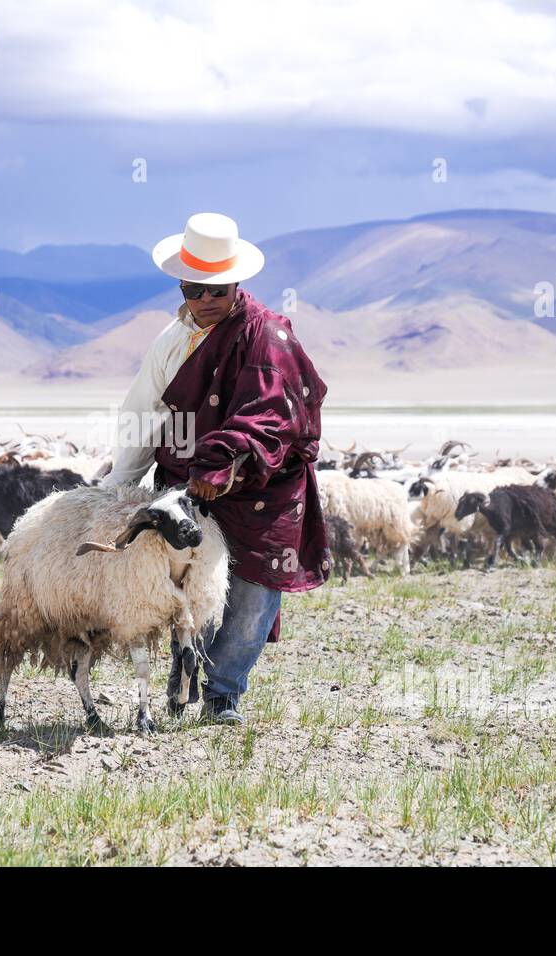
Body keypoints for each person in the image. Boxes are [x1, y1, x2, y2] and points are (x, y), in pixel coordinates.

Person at [100, 212, 331, 724]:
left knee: (252, 593)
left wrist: (225, 456)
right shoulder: (170, 341)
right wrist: (119, 485)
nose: (206, 302)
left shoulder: (269, 337)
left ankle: (224, 694)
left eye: (217, 291)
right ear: (181, 288)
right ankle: (186, 679)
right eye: (194, 290)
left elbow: (277, 414)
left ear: (236, 285)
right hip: (189, 490)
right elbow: (145, 414)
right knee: (192, 588)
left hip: (263, 489)